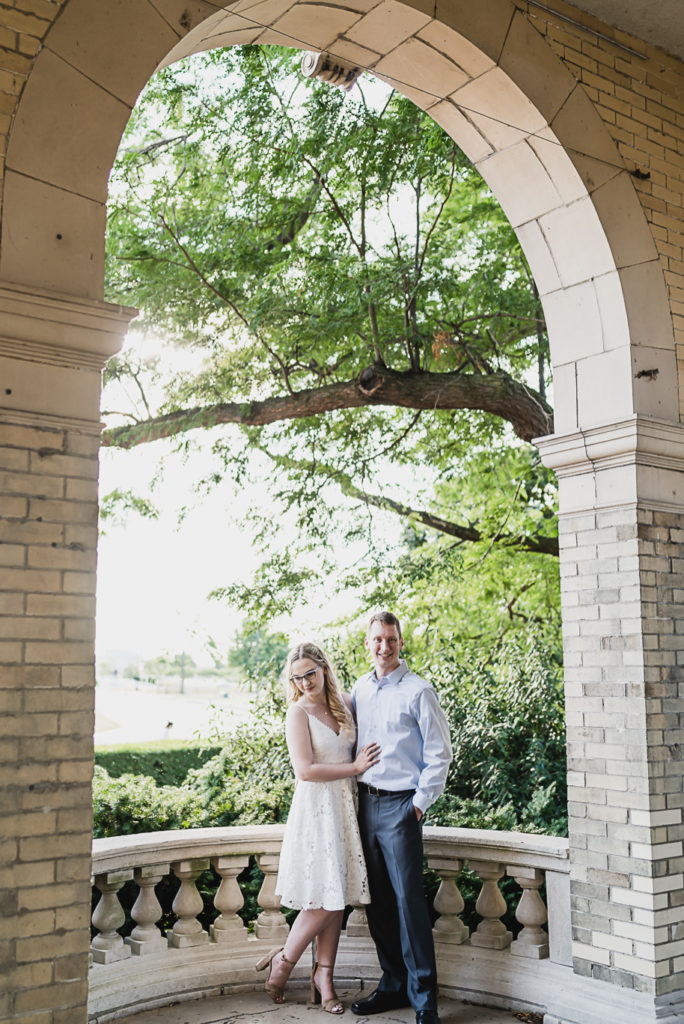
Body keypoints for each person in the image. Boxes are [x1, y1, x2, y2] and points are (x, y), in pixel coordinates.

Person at [256, 642, 381, 1014]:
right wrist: (355, 769)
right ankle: (286, 961)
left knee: (336, 895)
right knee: (323, 897)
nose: (305, 682)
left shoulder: (344, 702)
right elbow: (305, 770)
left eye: (311, 673)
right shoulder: (297, 713)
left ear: (324, 668)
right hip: (316, 812)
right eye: (297, 677)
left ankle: (324, 976)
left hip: (345, 807)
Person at [351, 611, 452, 1024]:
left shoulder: (418, 691)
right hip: (364, 804)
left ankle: (424, 998)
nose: (384, 647)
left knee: (410, 904)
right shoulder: (359, 688)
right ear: (367, 644)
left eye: (391, 639)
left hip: (400, 806)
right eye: (377, 640)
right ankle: (393, 985)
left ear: (401, 642)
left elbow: (439, 754)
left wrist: (418, 804)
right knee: (378, 903)